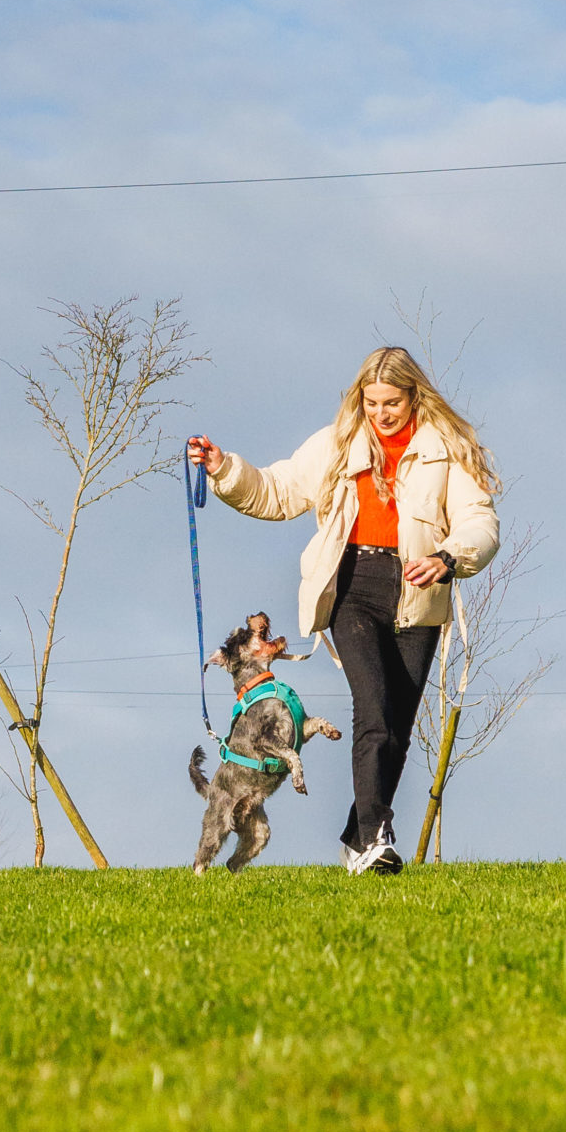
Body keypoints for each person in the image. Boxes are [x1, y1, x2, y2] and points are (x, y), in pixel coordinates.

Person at [186, 347, 500, 875]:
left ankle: (358, 837)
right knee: (374, 710)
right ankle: (379, 836)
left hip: (417, 591)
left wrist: (449, 558)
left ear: (414, 396)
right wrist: (224, 469)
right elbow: (277, 490)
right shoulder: (336, 444)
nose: (381, 413)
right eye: (372, 401)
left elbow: (480, 521)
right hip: (351, 587)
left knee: (397, 728)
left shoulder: (448, 448)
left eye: (392, 403)